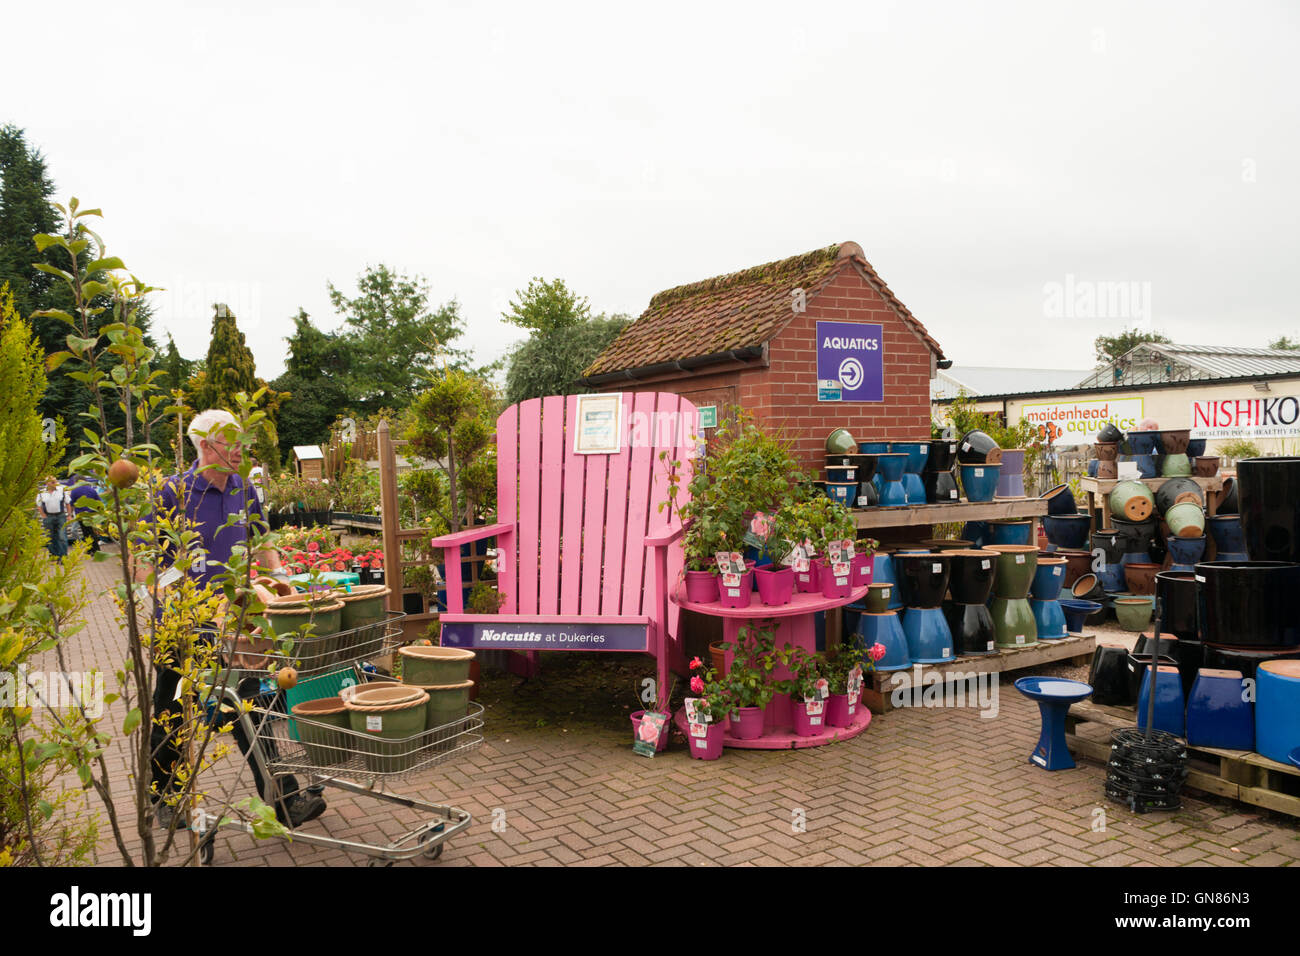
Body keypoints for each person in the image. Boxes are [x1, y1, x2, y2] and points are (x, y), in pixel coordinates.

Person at [142, 408, 326, 830]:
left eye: (243, 440)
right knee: (172, 709)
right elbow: (147, 562)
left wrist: (282, 583)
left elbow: (262, 541)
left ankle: (284, 799)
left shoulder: (243, 487)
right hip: (182, 621)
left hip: (238, 622)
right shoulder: (174, 492)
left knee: (250, 705)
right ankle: (166, 799)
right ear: (206, 446)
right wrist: (183, 596)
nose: (240, 448)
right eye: (231, 441)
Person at [35, 476, 73, 561]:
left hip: (60, 516)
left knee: (62, 536)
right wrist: (43, 515)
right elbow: (39, 505)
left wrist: (69, 515)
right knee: (50, 537)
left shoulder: (62, 490)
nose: (55, 483)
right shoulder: (41, 493)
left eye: (55, 481)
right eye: (52, 482)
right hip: (48, 517)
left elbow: (67, 503)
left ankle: (63, 557)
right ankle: (54, 556)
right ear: (47, 483)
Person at [69, 475, 103, 554]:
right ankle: (93, 549)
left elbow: (72, 504)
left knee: (86, 533)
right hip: (92, 514)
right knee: (92, 532)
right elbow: (98, 502)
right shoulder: (91, 490)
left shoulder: (74, 491)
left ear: (76, 482)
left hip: (81, 515)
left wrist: (70, 514)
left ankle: (94, 550)